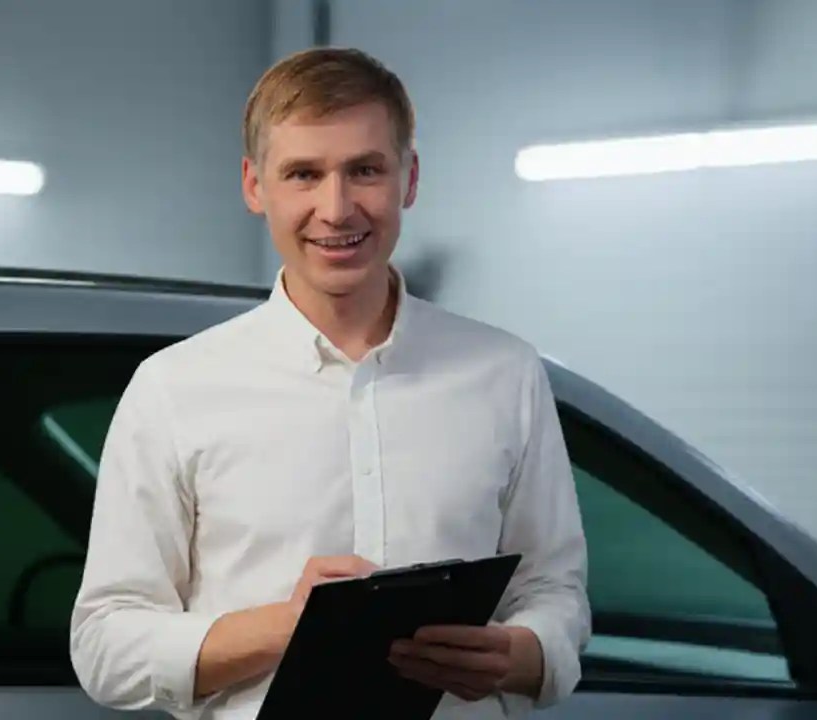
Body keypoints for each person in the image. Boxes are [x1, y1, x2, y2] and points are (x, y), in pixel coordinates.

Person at [69, 47, 590, 719]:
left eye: (365, 170)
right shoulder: (172, 389)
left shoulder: (505, 373)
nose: (337, 208)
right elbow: (105, 642)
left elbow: (555, 589)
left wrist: (526, 654)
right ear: (256, 187)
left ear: (409, 178)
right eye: (304, 174)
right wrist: (288, 628)